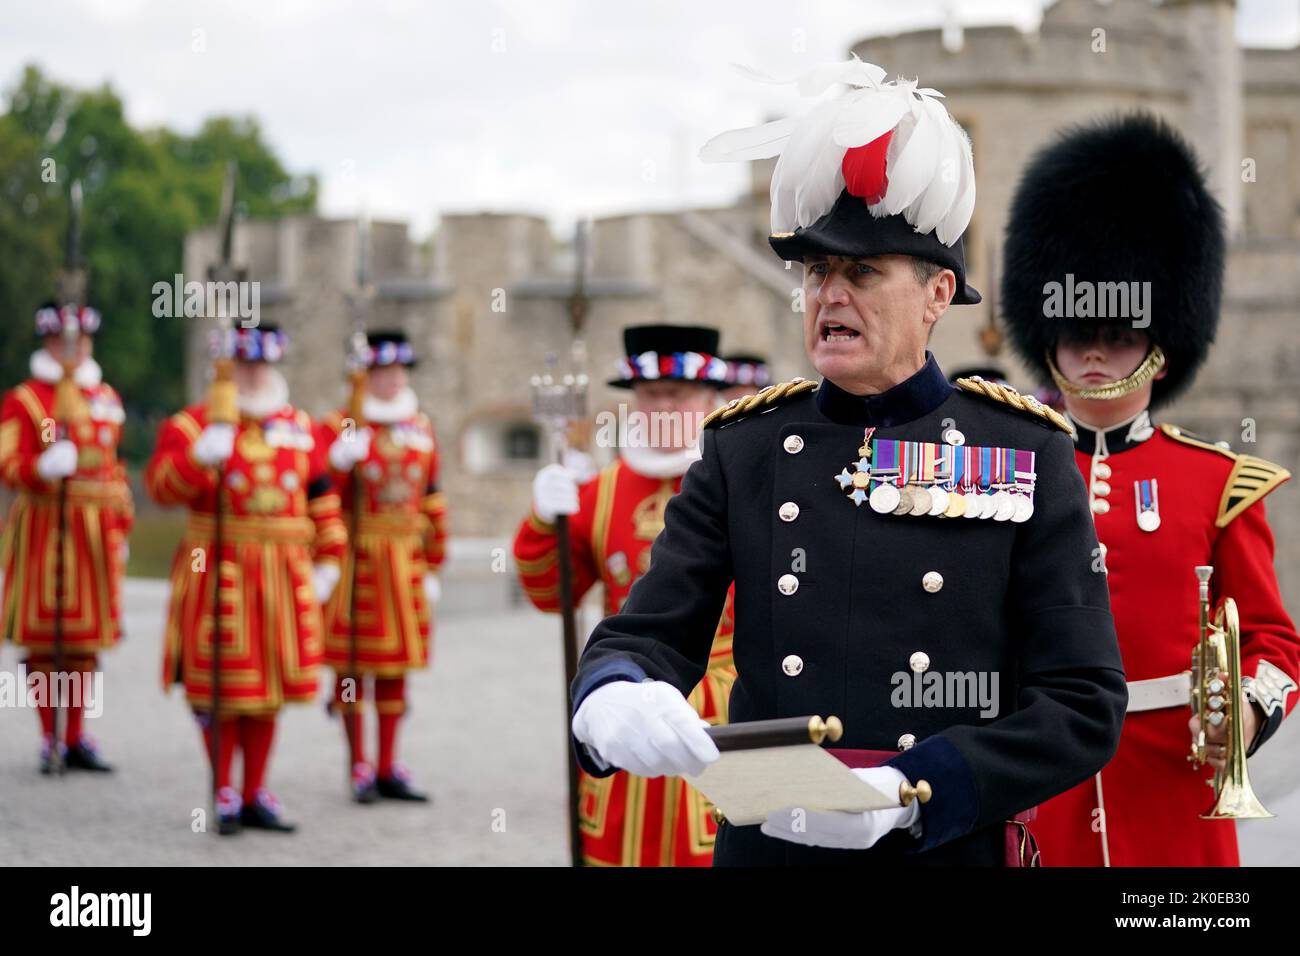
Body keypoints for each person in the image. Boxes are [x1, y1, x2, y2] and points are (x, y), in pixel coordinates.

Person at [566, 58, 1128, 866]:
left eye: (862, 272)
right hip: (771, 848)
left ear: (939, 293)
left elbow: (1082, 702)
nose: (830, 294)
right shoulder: (745, 447)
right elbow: (652, 628)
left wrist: (913, 791)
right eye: (818, 271)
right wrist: (613, 688)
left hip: (942, 846)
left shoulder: (1025, 450)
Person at [1000, 113, 1299, 866]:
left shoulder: (1221, 484)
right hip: (1045, 777)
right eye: (1078, 335)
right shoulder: (1006, 468)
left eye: (1122, 337)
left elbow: (1272, 641)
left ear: (1160, 351)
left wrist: (1247, 715)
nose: (1097, 352)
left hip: (1177, 785)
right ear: (1050, 343)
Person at [514, 323, 737, 866]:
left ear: (708, 399)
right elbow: (551, 595)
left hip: (722, 702)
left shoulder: (740, 484)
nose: (662, 407)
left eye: (677, 395)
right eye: (650, 395)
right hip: (622, 695)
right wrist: (545, 522)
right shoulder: (601, 490)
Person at [145, 324, 346, 835]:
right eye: (242, 365)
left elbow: (322, 500)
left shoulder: (300, 427)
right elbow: (161, 487)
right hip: (217, 569)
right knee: (219, 687)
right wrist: (197, 458)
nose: (253, 374)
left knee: (269, 688)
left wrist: (328, 561)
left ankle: (255, 789)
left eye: (260, 365)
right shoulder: (192, 425)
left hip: (282, 574)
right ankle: (224, 788)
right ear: (224, 368)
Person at [316, 330, 448, 803]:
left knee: (396, 668)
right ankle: (358, 766)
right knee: (352, 669)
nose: (392, 381)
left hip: (405, 558)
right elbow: (318, 496)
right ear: (364, 376)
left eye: (398, 372)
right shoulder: (340, 425)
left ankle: (389, 764)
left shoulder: (420, 426)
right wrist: (334, 466)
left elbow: (432, 496)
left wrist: (434, 561)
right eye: (381, 372)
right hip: (358, 558)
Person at [1, 302, 131, 773]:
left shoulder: (105, 396)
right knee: (43, 642)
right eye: (65, 343)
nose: (74, 351)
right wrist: (39, 468)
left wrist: (122, 526)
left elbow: (115, 468)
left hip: (93, 531)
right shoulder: (26, 399)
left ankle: (76, 734)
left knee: (84, 641)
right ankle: (47, 736)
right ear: (49, 343)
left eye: (82, 342)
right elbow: (7, 462)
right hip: (44, 528)